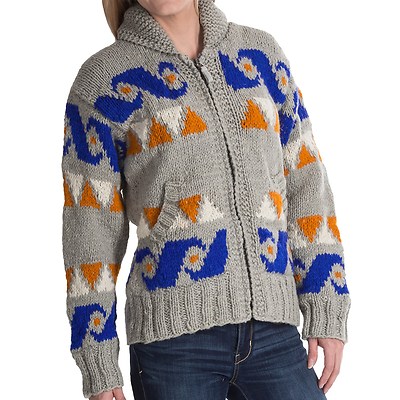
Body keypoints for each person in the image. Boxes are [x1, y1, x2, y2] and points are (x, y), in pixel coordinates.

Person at [61, 0, 351, 399]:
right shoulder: (103, 81)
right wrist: (98, 360)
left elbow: (305, 180)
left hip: (274, 331)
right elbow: (89, 227)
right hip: (172, 342)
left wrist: (326, 299)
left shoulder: (260, 55)